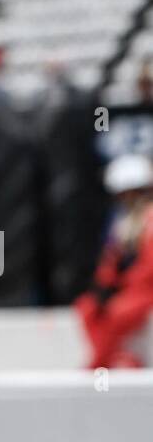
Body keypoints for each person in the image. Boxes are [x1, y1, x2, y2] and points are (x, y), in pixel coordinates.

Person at [76, 154, 153, 368]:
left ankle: (100, 363)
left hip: (145, 289)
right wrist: (104, 287)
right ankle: (115, 355)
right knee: (88, 308)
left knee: (118, 311)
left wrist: (124, 285)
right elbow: (110, 260)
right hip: (128, 289)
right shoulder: (122, 222)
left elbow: (149, 267)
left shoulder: (150, 220)